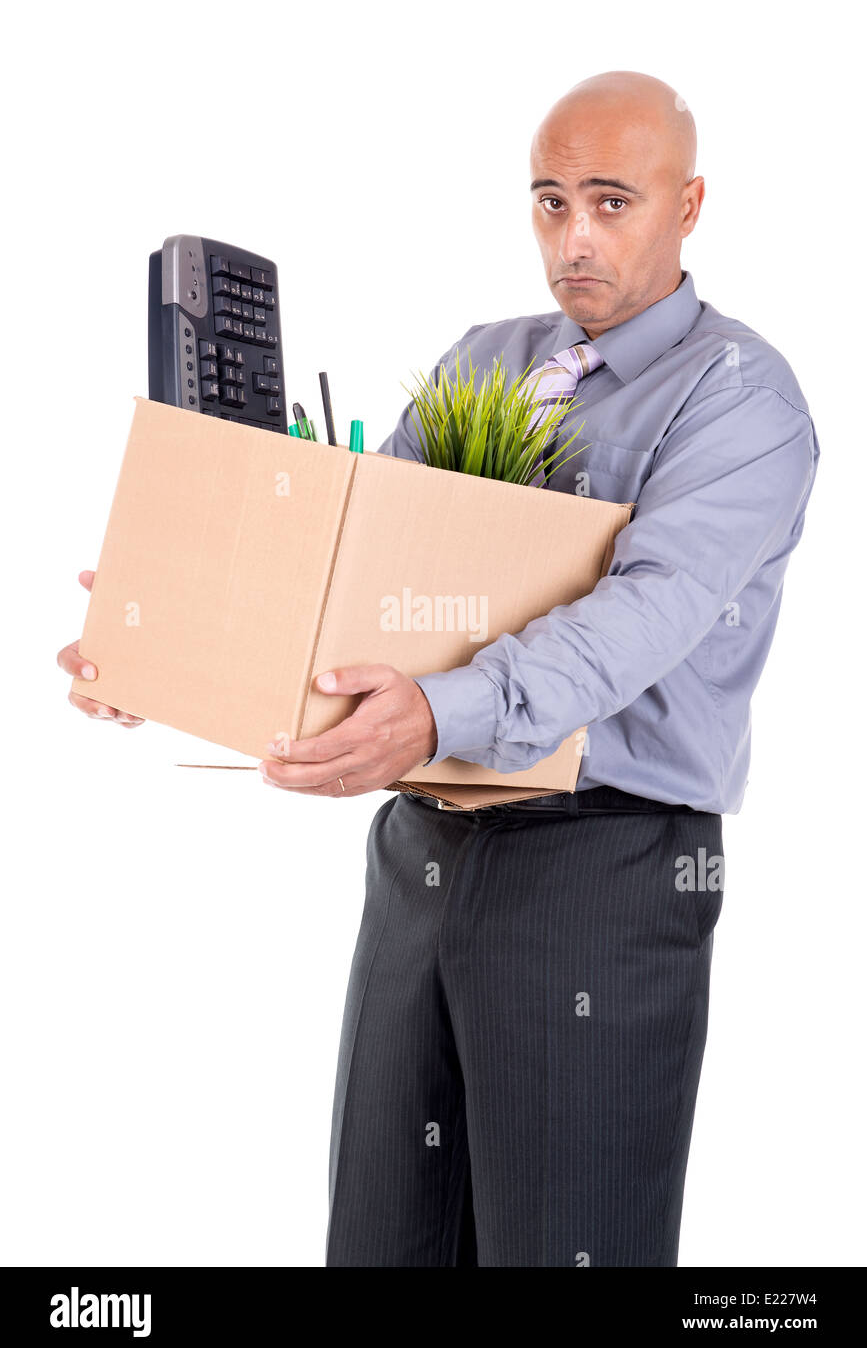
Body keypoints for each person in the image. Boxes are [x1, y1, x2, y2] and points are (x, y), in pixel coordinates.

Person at [58, 71, 819, 1267]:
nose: (573, 237)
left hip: (603, 868)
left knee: (569, 1245)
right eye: (550, 200)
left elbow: (645, 613)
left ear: (691, 204)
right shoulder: (486, 355)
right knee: (384, 1241)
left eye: (612, 202)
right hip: (423, 855)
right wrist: (173, 635)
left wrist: (436, 713)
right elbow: (354, 576)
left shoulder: (742, 400)